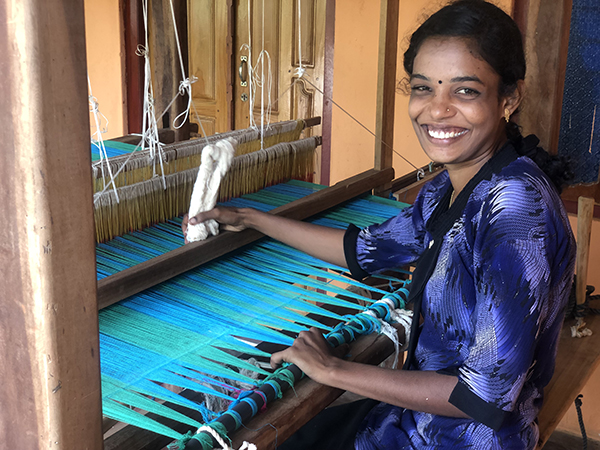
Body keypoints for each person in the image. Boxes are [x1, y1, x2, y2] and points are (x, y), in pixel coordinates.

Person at [182, 1, 576, 448]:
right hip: (415, 421)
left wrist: (334, 370)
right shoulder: (447, 190)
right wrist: (251, 219)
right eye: (424, 89)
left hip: (462, 439)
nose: (437, 110)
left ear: (509, 97)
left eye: (465, 91)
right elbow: (365, 250)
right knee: (270, 401)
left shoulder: (514, 208)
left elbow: (484, 397)